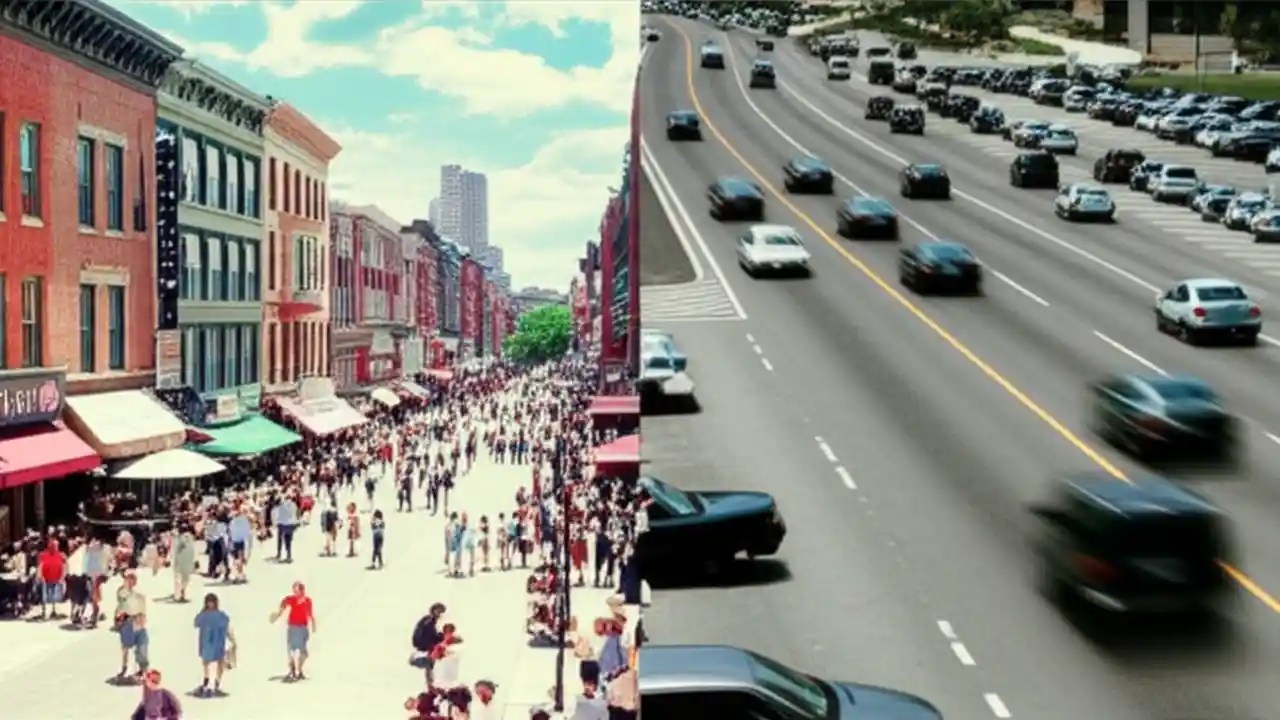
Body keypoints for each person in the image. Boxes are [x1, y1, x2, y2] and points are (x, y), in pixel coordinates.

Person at [270, 581, 316, 681]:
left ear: (302, 591)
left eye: (296, 591)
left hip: (301, 627)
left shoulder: (306, 601)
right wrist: (278, 613)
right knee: (294, 650)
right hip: (295, 627)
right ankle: (294, 669)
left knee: (300, 652)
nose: (295, 593)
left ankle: (297, 669)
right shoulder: (294, 599)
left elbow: (310, 614)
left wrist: (313, 624)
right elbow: (284, 603)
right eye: (294, 591)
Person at [193, 593, 236, 696]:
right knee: (216, 663)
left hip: (208, 642)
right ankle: (213, 684)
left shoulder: (203, 616)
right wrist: (233, 640)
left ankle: (209, 683)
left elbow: (196, 623)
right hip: (216, 642)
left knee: (209, 664)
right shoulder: (221, 616)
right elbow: (228, 629)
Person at [115, 570, 150, 680]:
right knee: (125, 647)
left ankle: (143, 670)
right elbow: (120, 602)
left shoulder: (139, 593)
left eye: (131, 579)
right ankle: (124, 668)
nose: (128, 581)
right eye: (126, 579)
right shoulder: (122, 592)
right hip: (127, 621)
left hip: (138, 619)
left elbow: (143, 606)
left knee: (141, 647)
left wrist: (142, 618)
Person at [409, 602, 446, 685]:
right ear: (433, 610)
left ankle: (430, 682)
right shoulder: (429, 620)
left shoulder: (430, 621)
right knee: (430, 663)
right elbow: (427, 633)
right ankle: (430, 682)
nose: (439, 614)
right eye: (438, 611)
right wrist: (440, 638)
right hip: (424, 645)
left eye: (441, 612)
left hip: (425, 645)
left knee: (430, 665)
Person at [37, 538, 67, 620]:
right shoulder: (43, 555)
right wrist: (40, 576)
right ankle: (44, 612)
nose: (54, 547)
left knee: (54, 596)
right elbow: (40, 566)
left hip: (56, 578)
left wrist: (63, 577)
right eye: (53, 545)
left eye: (56, 546)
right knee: (44, 596)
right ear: (49, 546)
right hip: (45, 578)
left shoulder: (61, 555)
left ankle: (53, 611)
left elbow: (65, 566)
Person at [171, 526, 197, 602]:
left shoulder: (176, 538)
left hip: (179, 561)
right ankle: (182, 593)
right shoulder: (189, 538)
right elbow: (193, 550)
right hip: (187, 561)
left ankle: (179, 594)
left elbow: (175, 550)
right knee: (185, 578)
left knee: (179, 578)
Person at [228, 507, 253, 583]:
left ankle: (240, 574)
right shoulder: (245, 521)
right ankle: (235, 575)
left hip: (235, 541)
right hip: (240, 542)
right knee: (239, 559)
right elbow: (247, 533)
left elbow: (230, 532)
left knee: (238, 559)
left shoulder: (233, 521)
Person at [274, 494, 299, 563]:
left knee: (280, 539)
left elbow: (278, 514)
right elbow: (295, 514)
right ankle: (289, 555)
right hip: (291, 524)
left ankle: (279, 553)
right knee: (288, 540)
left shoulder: (281, 505)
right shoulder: (294, 505)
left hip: (282, 523)